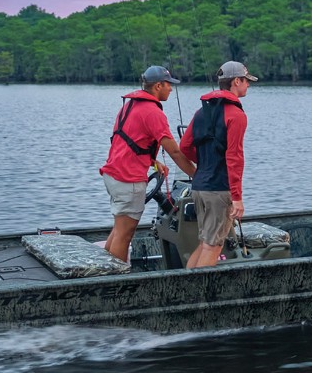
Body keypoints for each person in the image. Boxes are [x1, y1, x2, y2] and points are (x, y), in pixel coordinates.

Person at [100, 65, 197, 263]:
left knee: (119, 230)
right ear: (158, 86)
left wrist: (153, 162)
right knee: (125, 235)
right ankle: (117, 277)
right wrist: (198, 176)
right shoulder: (153, 112)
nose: (171, 89)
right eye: (168, 84)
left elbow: (129, 142)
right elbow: (175, 152)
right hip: (128, 179)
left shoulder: (129, 106)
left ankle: (106, 270)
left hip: (113, 175)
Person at [178, 60, 257, 268]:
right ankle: (200, 288)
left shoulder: (200, 112)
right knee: (213, 246)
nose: (248, 84)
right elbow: (235, 157)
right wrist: (237, 198)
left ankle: (186, 284)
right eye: (246, 80)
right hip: (219, 189)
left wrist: (205, 163)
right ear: (236, 81)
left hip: (199, 187)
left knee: (205, 243)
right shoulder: (237, 115)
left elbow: (184, 146)